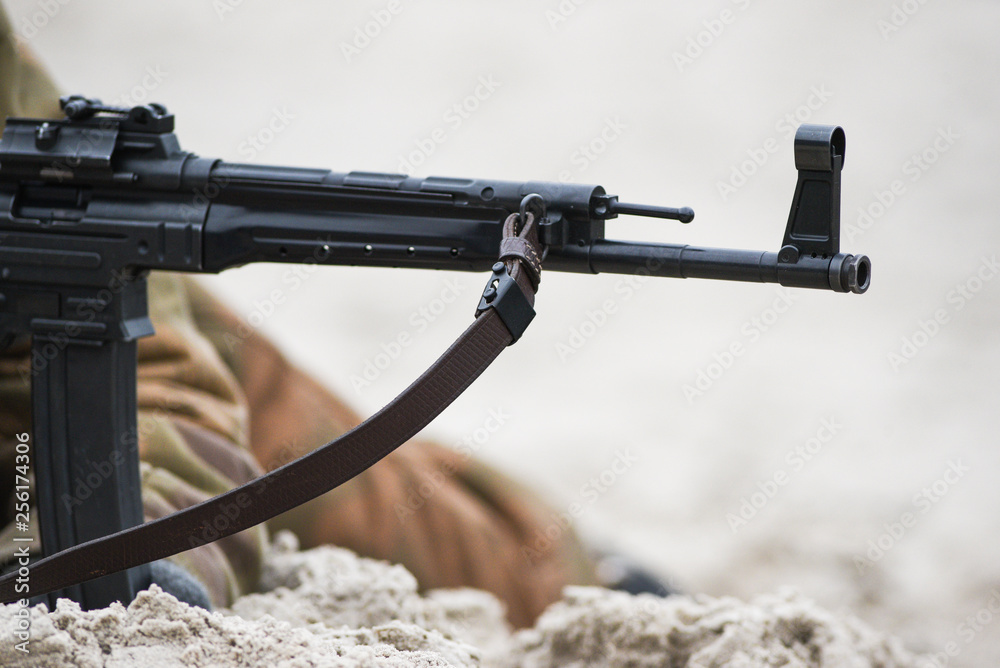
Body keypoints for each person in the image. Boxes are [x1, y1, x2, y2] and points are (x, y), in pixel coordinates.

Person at [0, 5, 669, 628]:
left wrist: (130, 580)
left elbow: (168, 395)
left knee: (353, 496)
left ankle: (589, 584)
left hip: (93, 366)